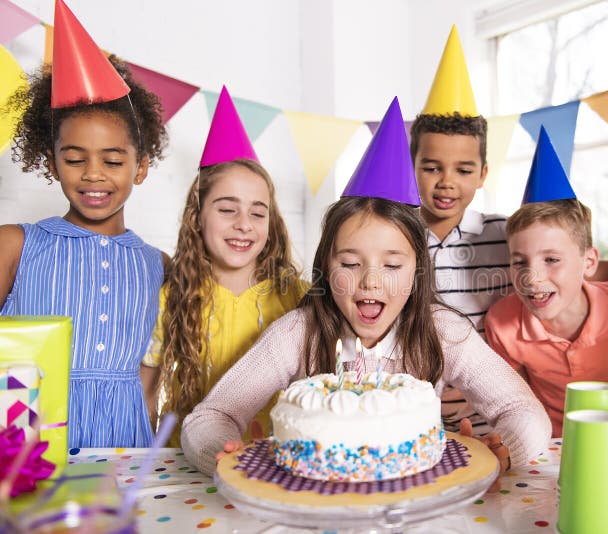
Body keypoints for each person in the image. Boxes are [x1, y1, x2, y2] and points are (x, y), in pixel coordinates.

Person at [181, 98, 551, 478]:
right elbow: (210, 416)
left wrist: (508, 448)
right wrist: (221, 452)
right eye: (351, 263)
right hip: (311, 501)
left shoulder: (443, 331)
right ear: (326, 264)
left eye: (392, 265)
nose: (371, 281)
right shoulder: (296, 332)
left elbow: (525, 412)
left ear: (417, 270)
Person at [0, 0, 168, 447]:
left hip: (125, 441)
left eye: (113, 160)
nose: (93, 174)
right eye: (74, 159)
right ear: (52, 163)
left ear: (141, 166)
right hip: (28, 438)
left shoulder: (158, 264)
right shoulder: (15, 245)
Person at [141, 88, 307, 445]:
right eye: (227, 209)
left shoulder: (298, 298)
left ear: (271, 223)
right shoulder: (169, 300)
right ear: (197, 217)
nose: (244, 223)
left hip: (272, 462)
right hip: (188, 466)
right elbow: (146, 395)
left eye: (257, 213)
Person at [484, 127, 608, 437]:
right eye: (519, 261)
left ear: (588, 262)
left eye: (551, 260)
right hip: (549, 449)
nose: (532, 278)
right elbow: (511, 402)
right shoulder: (503, 324)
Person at [410, 26, 511, 436]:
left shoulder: (504, 237)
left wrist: (484, 387)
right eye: (432, 167)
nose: (446, 182)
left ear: (483, 174)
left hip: (490, 410)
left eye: (464, 170)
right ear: (411, 166)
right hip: (411, 409)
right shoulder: (394, 239)